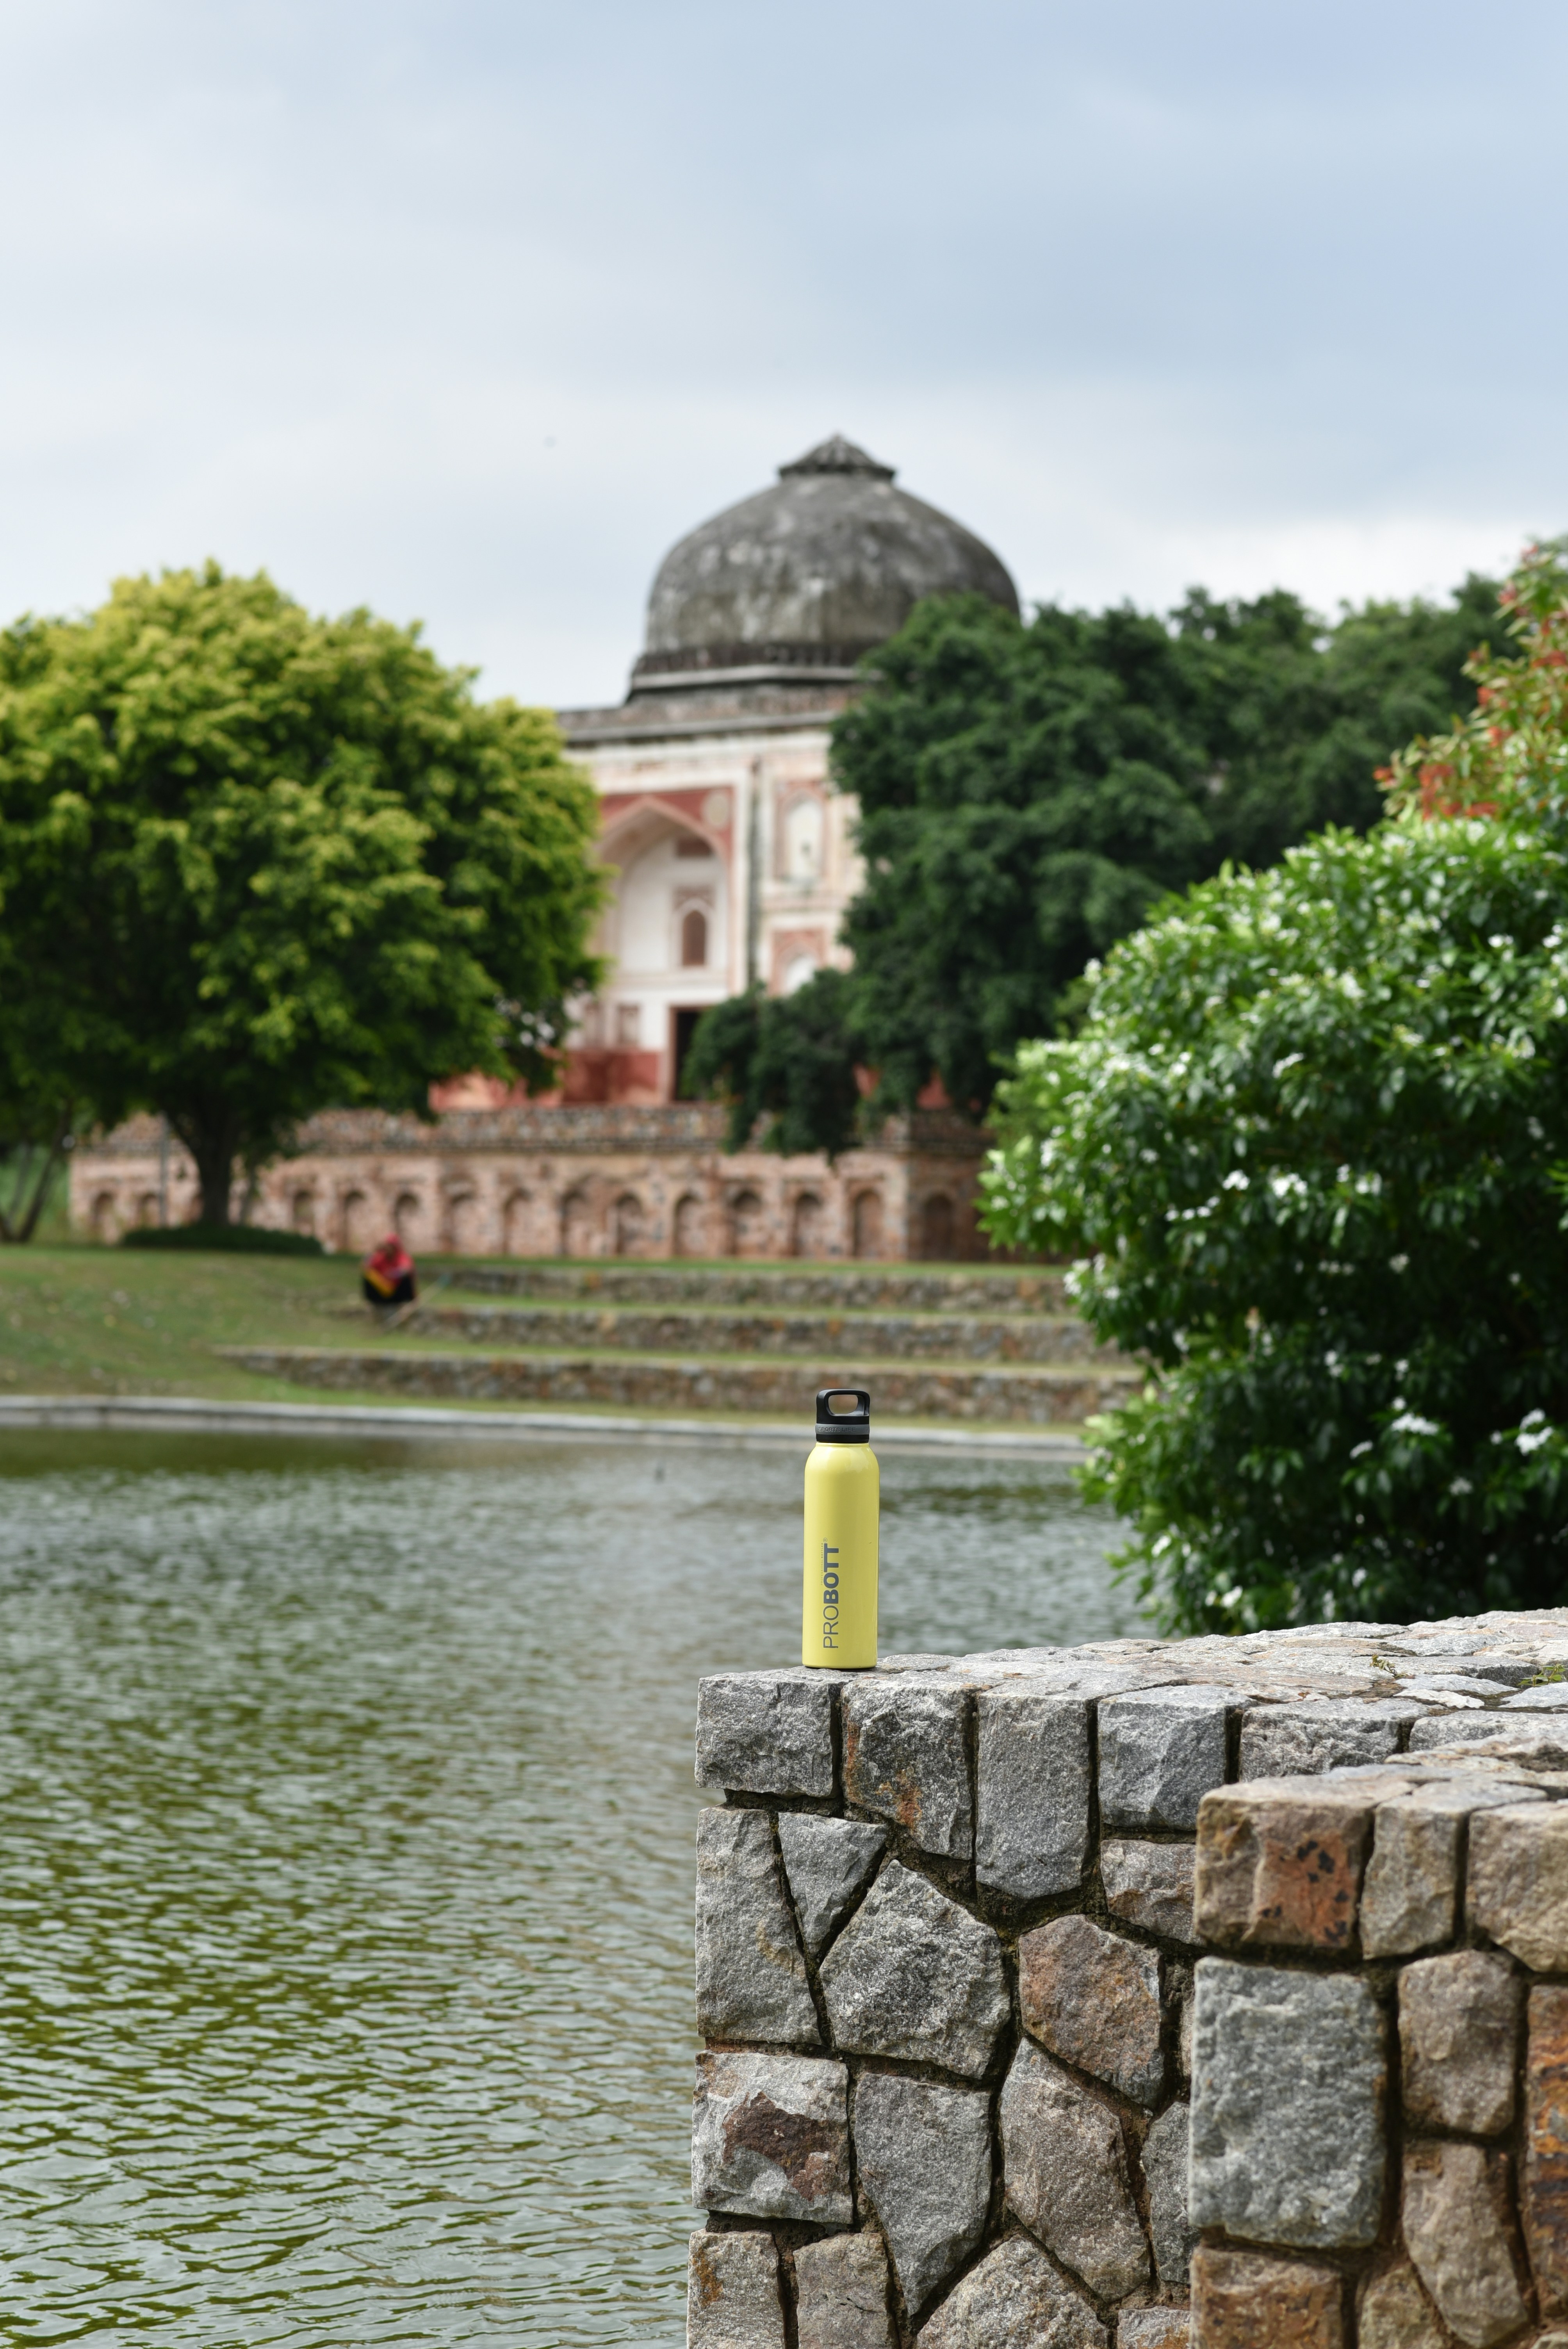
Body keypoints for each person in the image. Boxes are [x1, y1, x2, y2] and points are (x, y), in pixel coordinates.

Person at [362, 1233, 417, 1310]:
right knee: (368, 1275)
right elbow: (366, 1266)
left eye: (391, 1246)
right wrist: (374, 1251)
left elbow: (407, 1269)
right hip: (384, 1290)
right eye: (387, 1246)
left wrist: (394, 1274)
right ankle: (373, 1301)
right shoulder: (381, 1257)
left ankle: (407, 1302)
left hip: (398, 1291)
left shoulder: (402, 1256)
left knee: (407, 1277)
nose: (388, 1248)